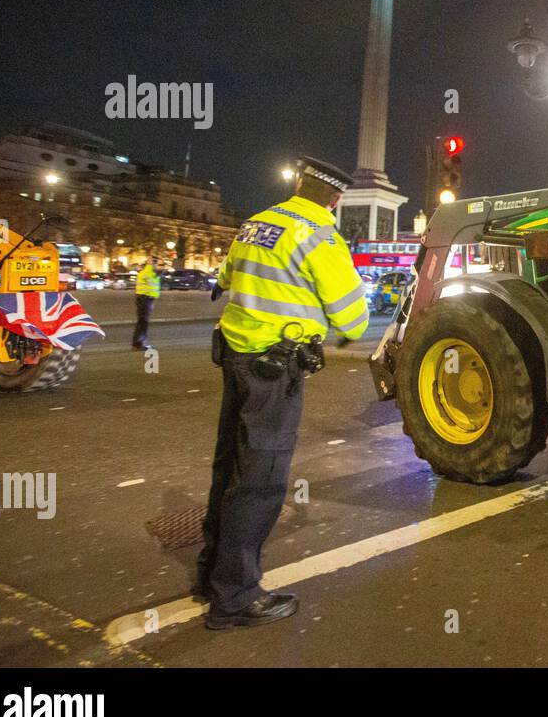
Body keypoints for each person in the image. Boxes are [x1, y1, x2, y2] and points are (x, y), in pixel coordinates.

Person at [196, 156, 370, 629]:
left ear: (297, 186)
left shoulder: (257, 223)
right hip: (273, 369)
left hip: (234, 354)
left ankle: (209, 573)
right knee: (260, 479)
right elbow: (353, 317)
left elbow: (227, 278)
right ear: (335, 199)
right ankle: (235, 596)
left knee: (228, 465)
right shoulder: (321, 237)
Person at [132, 257, 163, 349]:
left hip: (146, 299)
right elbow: (151, 279)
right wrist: (157, 272)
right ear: (151, 264)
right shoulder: (148, 273)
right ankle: (139, 342)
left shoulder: (149, 273)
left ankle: (138, 342)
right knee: (143, 321)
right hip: (144, 298)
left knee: (142, 321)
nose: (157, 266)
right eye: (156, 264)